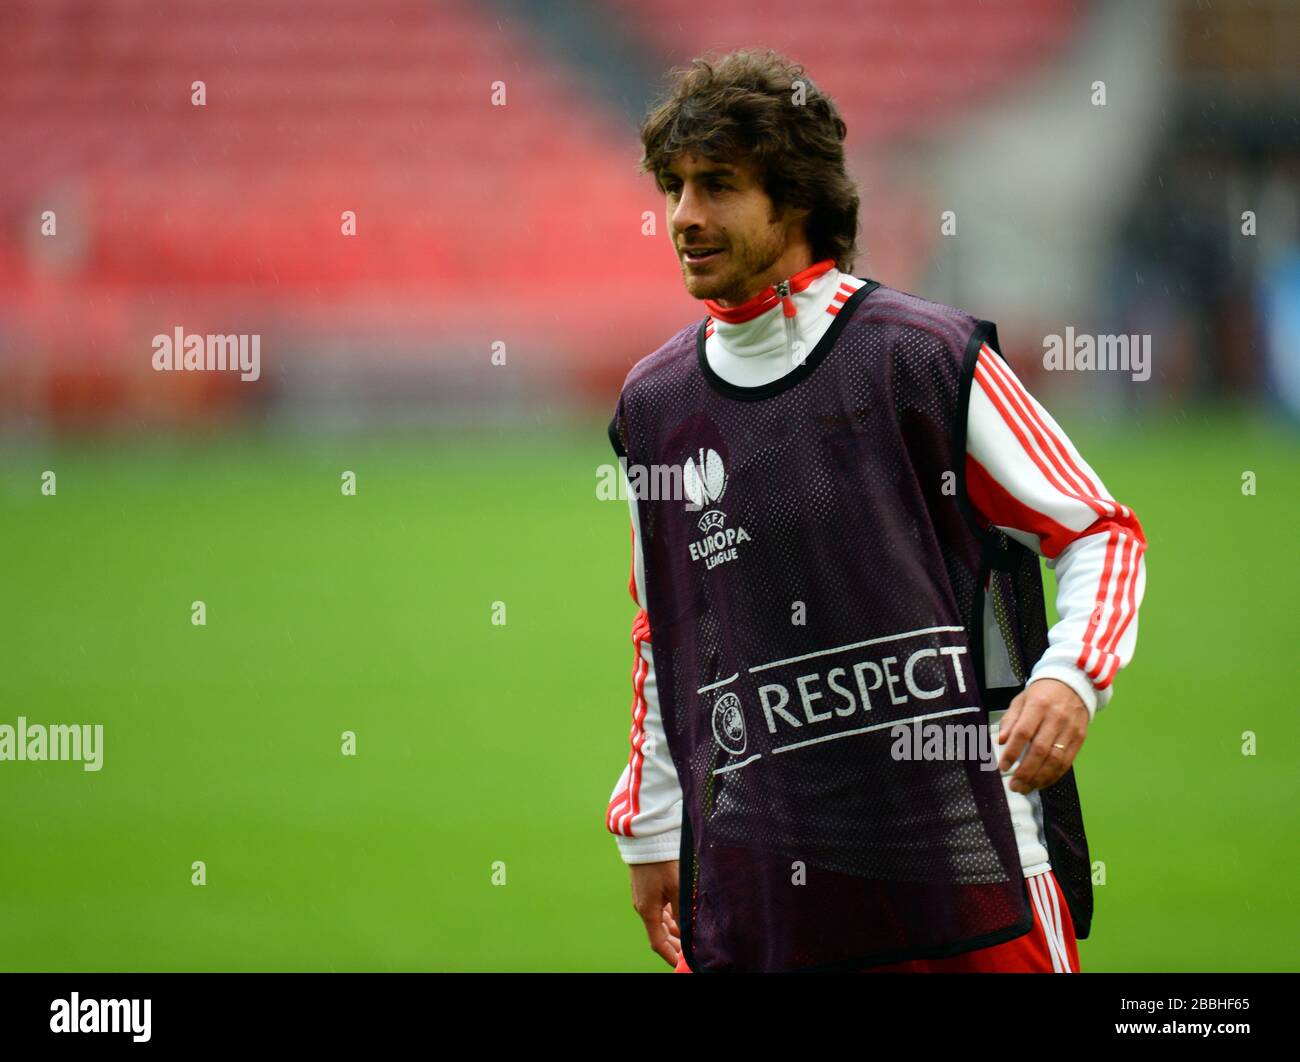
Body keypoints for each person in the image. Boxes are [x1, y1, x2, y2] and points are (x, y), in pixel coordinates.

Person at [604, 48, 1146, 973]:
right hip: (770, 878)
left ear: (798, 199)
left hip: (969, 859)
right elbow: (668, 632)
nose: (685, 217)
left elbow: (1099, 527)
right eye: (675, 188)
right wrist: (651, 824)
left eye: (719, 186)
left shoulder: (919, 356)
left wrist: (1069, 677)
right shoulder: (655, 406)